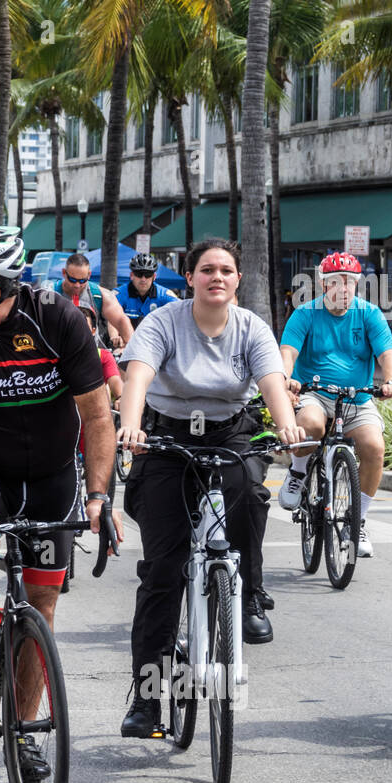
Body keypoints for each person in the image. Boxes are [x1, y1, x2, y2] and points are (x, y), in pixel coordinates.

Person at [0, 225, 122, 779]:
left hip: (54, 477)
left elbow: (97, 416)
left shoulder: (58, 320)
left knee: (42, 603)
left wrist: (100, 495)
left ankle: (24, 729)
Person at [116, 237, 303, 737]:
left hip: (229, 432)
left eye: (225, 270)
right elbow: (138, 378)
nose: (216, 277)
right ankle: (147, 700)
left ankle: (250, 595)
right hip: (166, 437)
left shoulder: (251, 327)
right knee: (163, 572)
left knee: (251, 493)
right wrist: (131, 426)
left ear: (237, 279)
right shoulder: (164, 322)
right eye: (206, 270)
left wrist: (287, 426)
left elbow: (271, 382)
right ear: (190, 278)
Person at [277, 251, 392, 558]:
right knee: (311, 426)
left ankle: (357, 522)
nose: (343, 288)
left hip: (356, 397)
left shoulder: (369, 314)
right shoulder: (305, 314)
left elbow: (387, 355)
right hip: (314, 393)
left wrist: (391, 381)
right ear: (323, 284)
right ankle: (298, 472)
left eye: (349, 282)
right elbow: (288, 353)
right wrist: (286, 379)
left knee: (374, 447)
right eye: (336, 282)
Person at [46, 252, 133, 351]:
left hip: (90, 353)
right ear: (64, 273)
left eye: (82, 280)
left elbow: (121, 320)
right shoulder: (49, 293)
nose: (77, 285)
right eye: (72, 280)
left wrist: (131, 351)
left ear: (89, 275)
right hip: (57, 352)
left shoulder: (100, 295)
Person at [122, 252, 179, 326]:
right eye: (139, 274)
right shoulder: (120, 294)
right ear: (131, 275)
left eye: (147, 274)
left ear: (154, 276)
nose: (143, 279)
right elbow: (112, 321)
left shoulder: (164, 295)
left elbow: (182, 310)